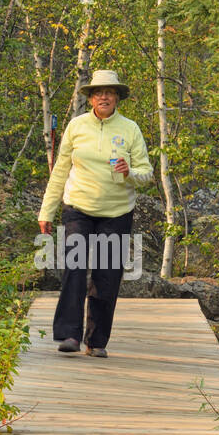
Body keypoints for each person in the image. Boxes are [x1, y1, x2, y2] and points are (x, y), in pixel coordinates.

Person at [37, 70, 154, 358]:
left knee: (107, 275)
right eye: (98, 92)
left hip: (116, 212)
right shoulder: (76, 127)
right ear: (90, 97)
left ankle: (96, 340)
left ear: (117, 98)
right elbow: (60, 171)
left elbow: (146, 173)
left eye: (109, 92)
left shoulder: (130, 129)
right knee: (74, 269)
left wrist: (130, 173)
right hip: (78, 208)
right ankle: (69, 335)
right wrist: (46, 211)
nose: (104, 96)